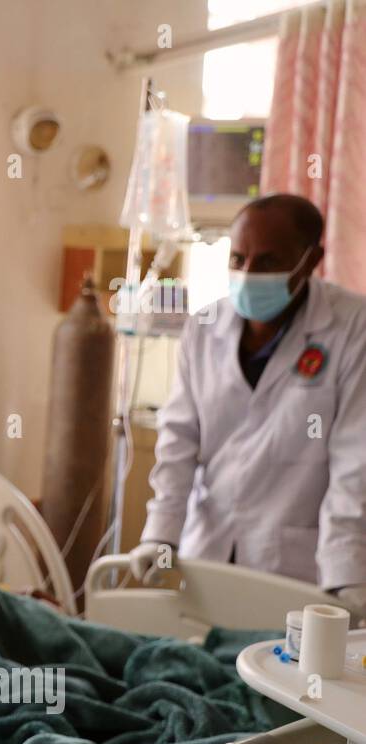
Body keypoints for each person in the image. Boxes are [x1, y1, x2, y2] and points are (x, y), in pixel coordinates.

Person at [130, 193, 366, 612]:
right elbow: (179, 440)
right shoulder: (204, 327)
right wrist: (160, 535)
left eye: (267, 261)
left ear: (311, 260)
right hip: (206, 551)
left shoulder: (352, 328)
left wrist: (344, 574)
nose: (247, 273)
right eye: (237, 259)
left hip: (299, 566)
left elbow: (356, 461)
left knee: (277, 671)